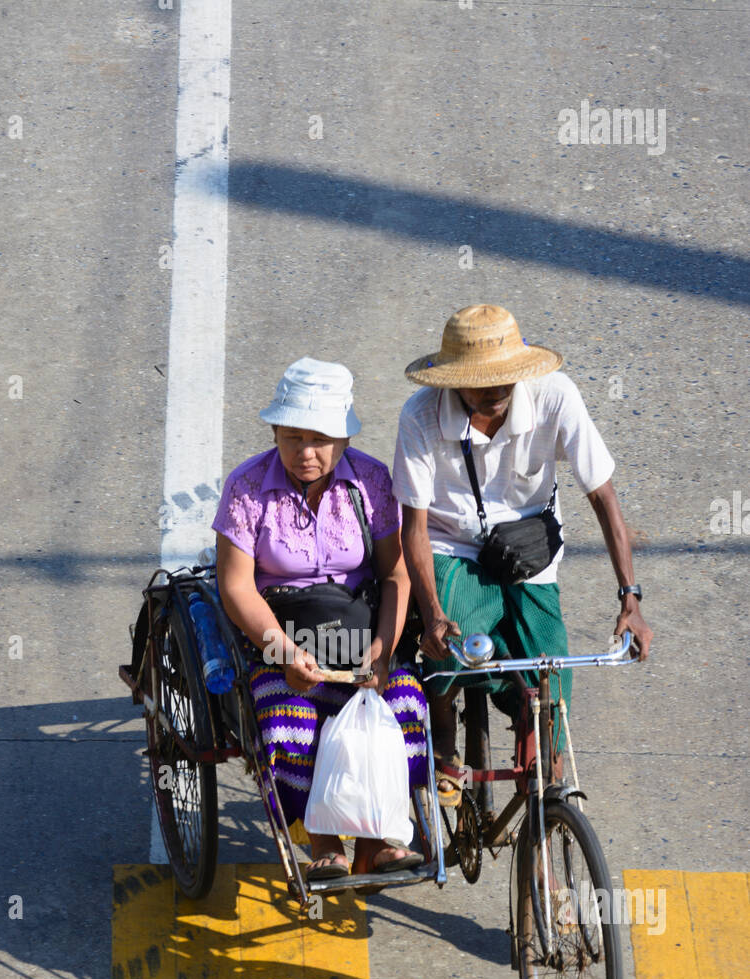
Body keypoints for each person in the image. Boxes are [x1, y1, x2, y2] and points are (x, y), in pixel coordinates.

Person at [392, 304, 653, 801]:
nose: (494, 392)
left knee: (551, 681)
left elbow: (602, 494)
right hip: (452, 546)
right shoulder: (420, 417)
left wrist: (631, 599)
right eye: (479, 383)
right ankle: (442, 727)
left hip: (529, 547)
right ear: (452, 381)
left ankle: (547, 781)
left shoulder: (556, 396)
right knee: (451, 652)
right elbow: (415, 528)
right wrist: (432, 614)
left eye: (504, 381)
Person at [212, 357, 428, 881]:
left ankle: (377, 839)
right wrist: (284, 653)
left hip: (359, 635)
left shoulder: (372, 483)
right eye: (292, 438)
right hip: (279, 637)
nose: (306, 453)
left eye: (321, 439)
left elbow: (396, 575)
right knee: (292, 722)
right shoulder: (246, 488)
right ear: (275, 433)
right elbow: (235, 585)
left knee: (403, 705)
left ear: (345, 439)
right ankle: (324, 841)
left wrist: (384, 649)